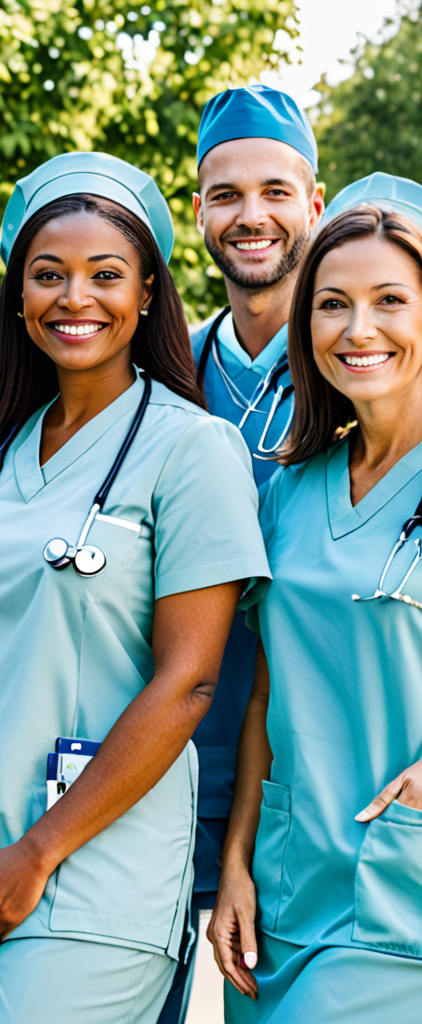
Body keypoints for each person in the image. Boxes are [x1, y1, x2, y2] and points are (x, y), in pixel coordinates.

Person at [0, 151, 270, 1024]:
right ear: (18, 298)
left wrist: (40, 851)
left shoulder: (192, 450)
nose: (75, 297)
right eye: (48, 275)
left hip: (94, 873)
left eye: (106, 275)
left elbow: (190, 685)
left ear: (147, 294)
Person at [210, 177, 422, 1024]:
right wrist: (235, 865)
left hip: (400, 895)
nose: (358, 328)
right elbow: (268, 691)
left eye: (390, 301)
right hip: (286, 891)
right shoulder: (291, 491)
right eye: (332, 303)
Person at [158, 86, 326, 1024]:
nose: (250, 216)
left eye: (274, 190)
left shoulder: (364, 370)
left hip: (313, 777)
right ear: (198, 213)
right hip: (158, 766)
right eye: (226, 195)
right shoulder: (156, 378)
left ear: (315, 203)